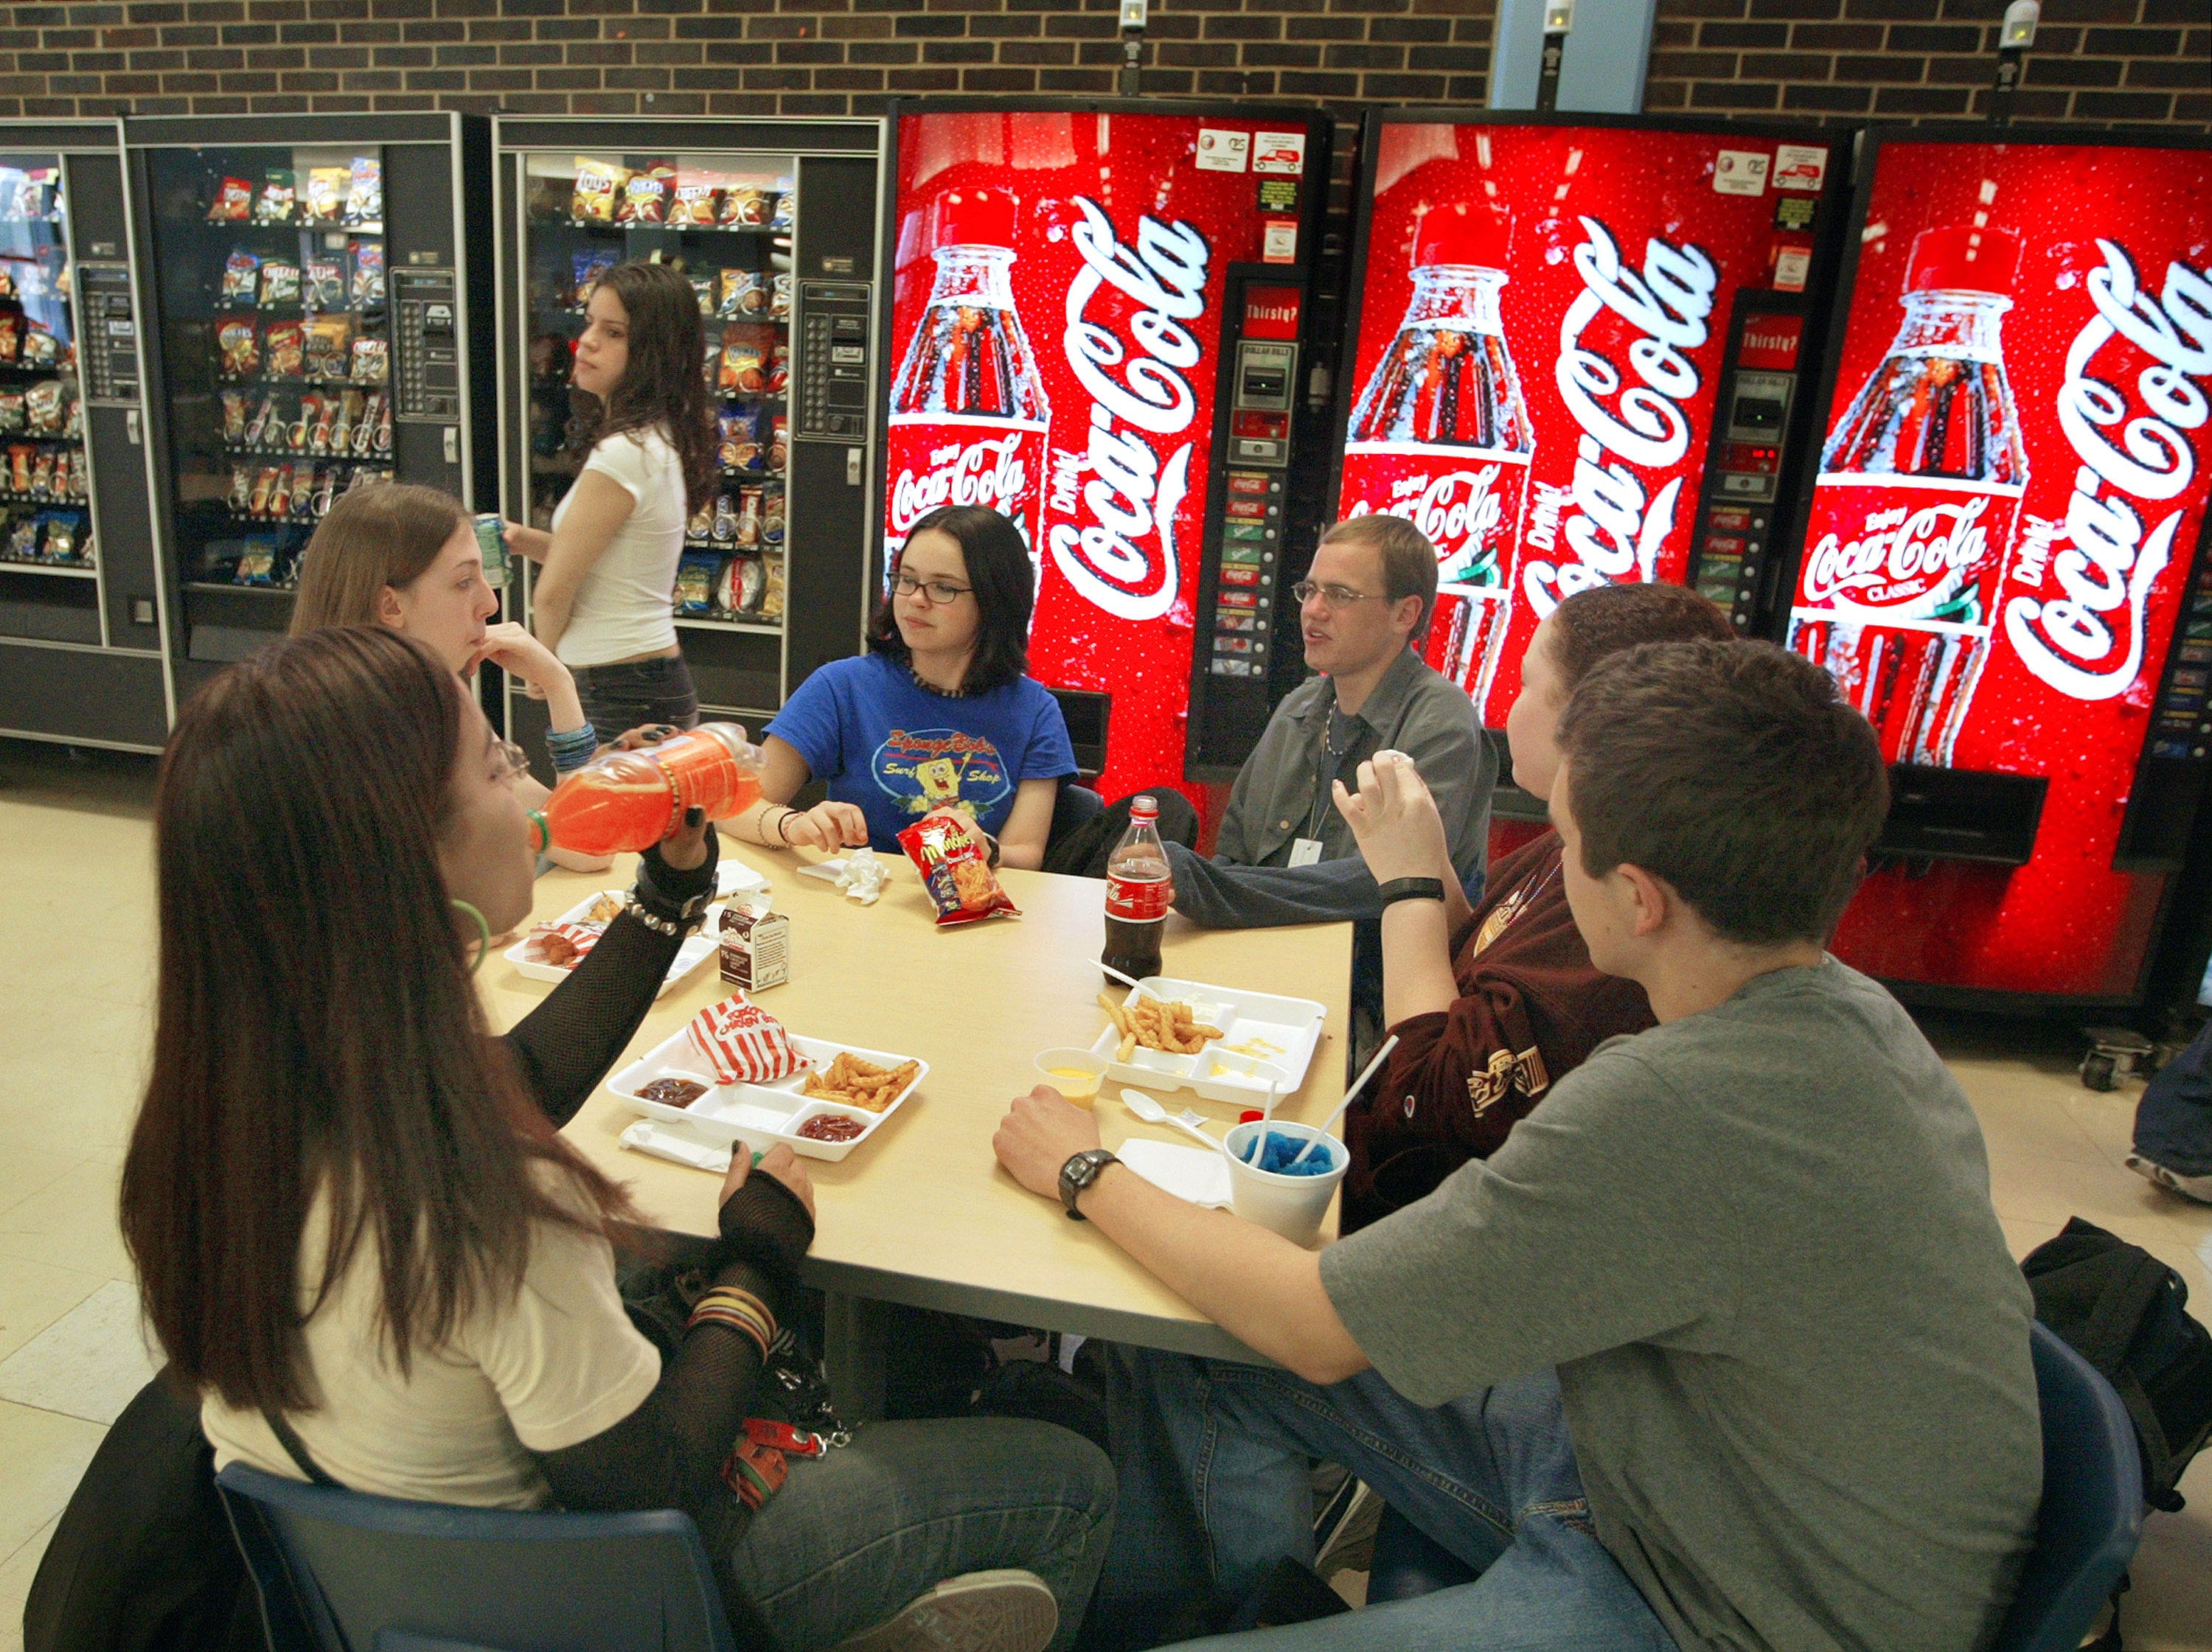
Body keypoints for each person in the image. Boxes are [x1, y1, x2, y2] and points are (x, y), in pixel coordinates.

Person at [993, 640, 2042, 1652]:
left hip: (1727, 1602)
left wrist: (1086, 1169)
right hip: (1685, 1458)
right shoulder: (1853, 1014)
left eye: (1563, 839)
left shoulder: (1675, 1103)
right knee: (1197, 1347)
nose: (1545, 865)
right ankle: (1236, 1606)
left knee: (1247, 1323)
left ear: (1638, 898)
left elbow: (1317, 1328)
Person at [122, 627, 1115, 1652]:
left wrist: (664, 902)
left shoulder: (219, 1122)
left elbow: (512, 1080)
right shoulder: (496, 1212)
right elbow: (662, 1478)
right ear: (407, 853)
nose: (531, 798)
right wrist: (757, 1263)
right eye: (495, 767)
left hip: (397, 1601)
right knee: (1072, 1479)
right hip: (606, 1603)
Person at [1337, 580, 1735, 1231]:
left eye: (1525, 682)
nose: (1506, 707)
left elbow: (1427, 1107)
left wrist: (1408, 886)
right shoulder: (1571, 839)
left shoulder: (1617, 904)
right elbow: (1479, 962)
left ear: (1590, 718)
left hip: (1413, 1222)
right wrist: (1428, 859)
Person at [737, 505, 1185, 870]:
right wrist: (793, 824)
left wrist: (985, 847)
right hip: (860, 902)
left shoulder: (1034, 709)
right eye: (907, 580)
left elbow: (1025, 854)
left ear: (995, 601)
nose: (915, 599)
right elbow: (736, 807)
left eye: (944, 588)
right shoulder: (842, 686)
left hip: (974, 914)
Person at [1160, 515, 1492, 931]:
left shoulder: (1441, 719)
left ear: (1404, 613)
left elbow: (1385, 880)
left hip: (1372, 970)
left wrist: (1211, 890)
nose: (1313, 610)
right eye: (1310, 591)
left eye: (1339, 595)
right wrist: (1210, 890)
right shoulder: (1298, 706)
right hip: (1269, 944)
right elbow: (1235, 851)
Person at [290, 480, 615, 876]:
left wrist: (558, 685)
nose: (490, 602)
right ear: (391, 605)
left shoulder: (434, 705)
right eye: (464, 582)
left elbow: (588, 846)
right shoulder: (328, 737)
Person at [505, 259, 714, 733]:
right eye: (590, 323)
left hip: (617, 689)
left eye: (614, 332)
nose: (589, 342)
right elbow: (608, 564)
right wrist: (522, 540)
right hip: (642, 680)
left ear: (653, 352)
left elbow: (555, 590)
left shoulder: (624, 454)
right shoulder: (653, 440)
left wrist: (545, 666)